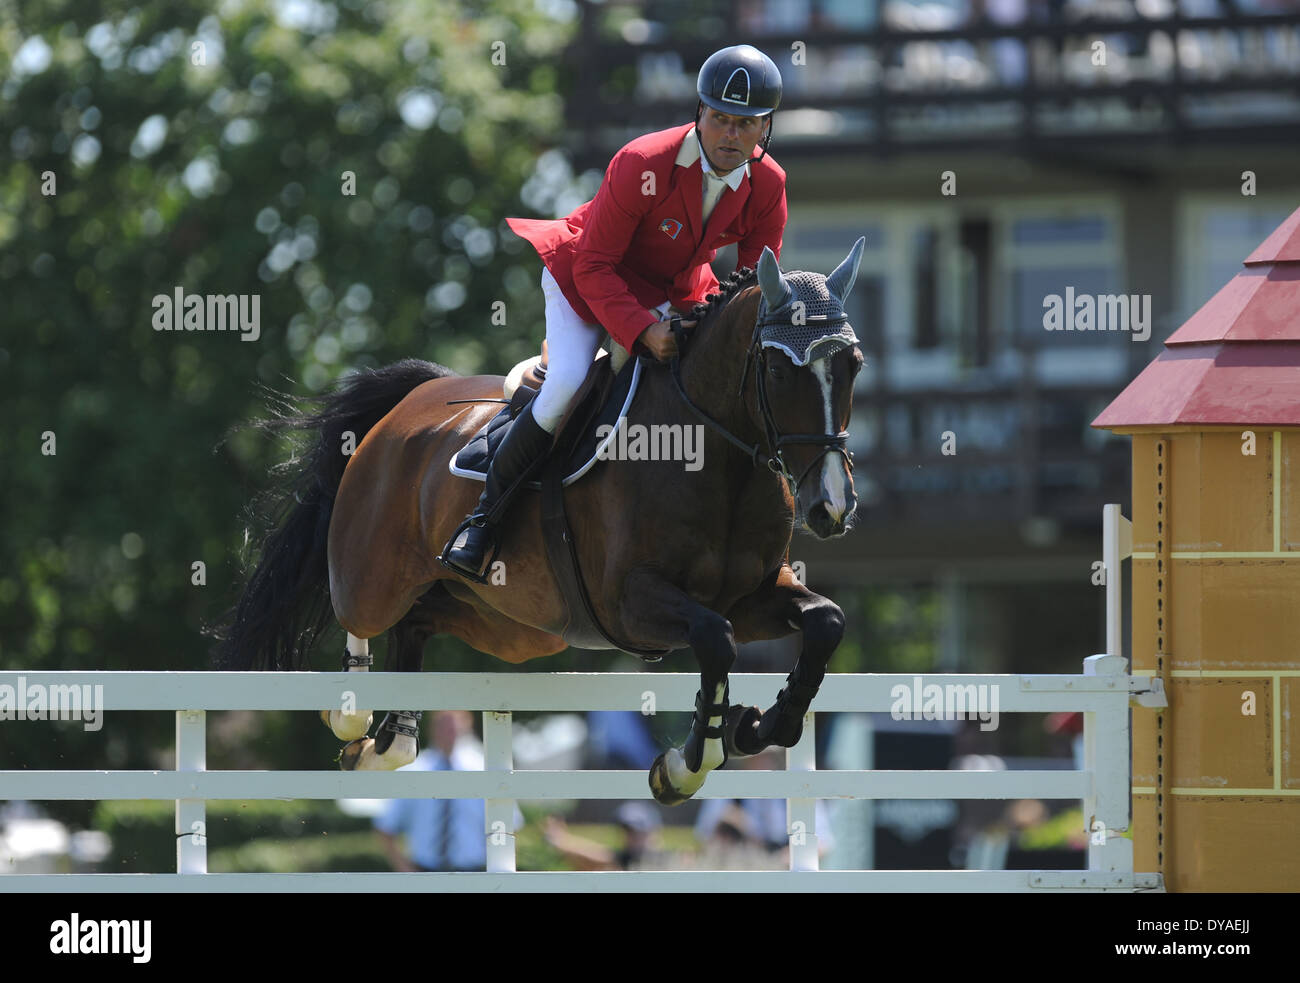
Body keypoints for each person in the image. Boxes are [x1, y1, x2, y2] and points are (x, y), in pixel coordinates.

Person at [441, 44, 788, 580]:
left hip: (674, 288)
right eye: (720, 119)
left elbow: (751, 285)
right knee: (569, 383)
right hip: (584, 275)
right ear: (700, 113)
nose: (730, 135)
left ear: (766, 128)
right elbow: (596, 266)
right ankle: (482, 521)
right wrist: (644, 331)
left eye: (746, 124)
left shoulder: (769, 185)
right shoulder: (642, 162)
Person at [374, 710, 497, 872]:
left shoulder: (483, 769)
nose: (449, 732)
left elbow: (508, 826)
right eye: (443, 726)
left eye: (454, 726)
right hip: (425, 871)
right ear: (432, 729)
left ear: (467, 726)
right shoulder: (414, 771)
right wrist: (407, 871)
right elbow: (386, 827)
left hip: (475, 872)